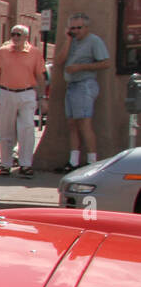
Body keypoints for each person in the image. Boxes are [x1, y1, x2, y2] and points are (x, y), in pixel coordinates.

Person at [57, 13, 112, 172]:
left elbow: (106, 63)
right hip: (72, 84)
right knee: (72, 123)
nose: (75, 31)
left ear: (86, 27)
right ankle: (73, 161)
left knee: (84, 123)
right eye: (72, 28)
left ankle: (91, 161)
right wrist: (67, 39)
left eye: (78, 28)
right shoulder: (72, 41)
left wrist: (81, 67)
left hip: (85, 84)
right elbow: (60, 61)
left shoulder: (94, 41)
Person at [0, 24, 45, 177]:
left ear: (25, 37)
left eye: (18, 35)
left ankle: (25, 164)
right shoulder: (2, 52)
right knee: (5, 129)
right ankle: (6, 164)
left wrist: (42, 97)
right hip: (6, 92)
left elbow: (40, 76)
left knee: (27, 128)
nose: (15, 37)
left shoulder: (34, 53)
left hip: (27, 93)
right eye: (13, 34)